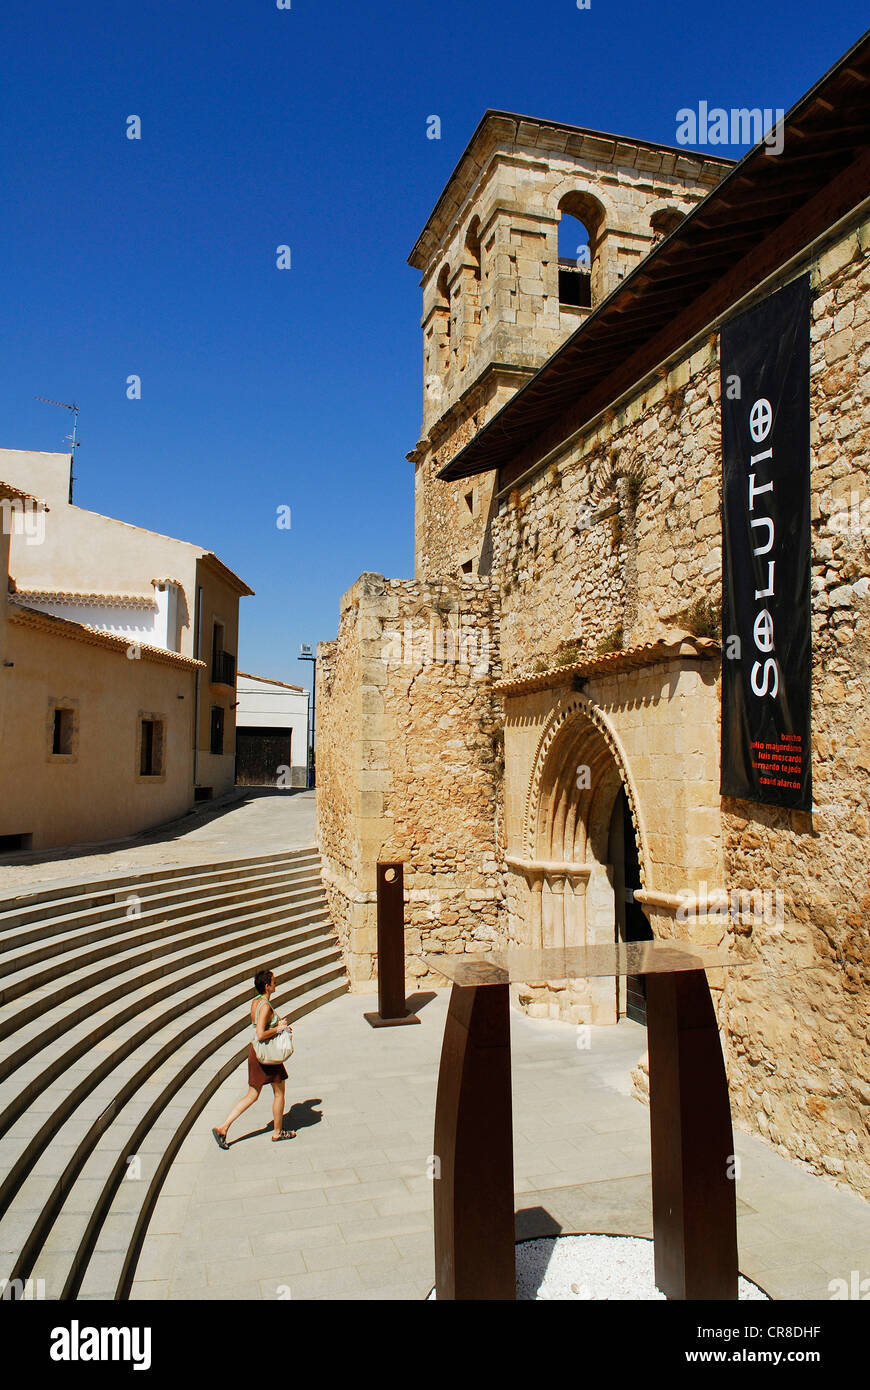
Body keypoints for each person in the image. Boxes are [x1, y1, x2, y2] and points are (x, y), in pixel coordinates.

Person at [212, 967, 295, 1147]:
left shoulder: (255, 1002)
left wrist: (276, 1024)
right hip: (267, 1056)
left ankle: (223, 1128)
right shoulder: (265, 1006)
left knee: (252, 1094)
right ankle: (277, 1132)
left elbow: (259, 1025)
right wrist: (279, 1028)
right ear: (267, 986)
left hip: (256, 1054)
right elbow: (260, 1034)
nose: (276, 984)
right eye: (274, 982)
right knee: (279, 1092)